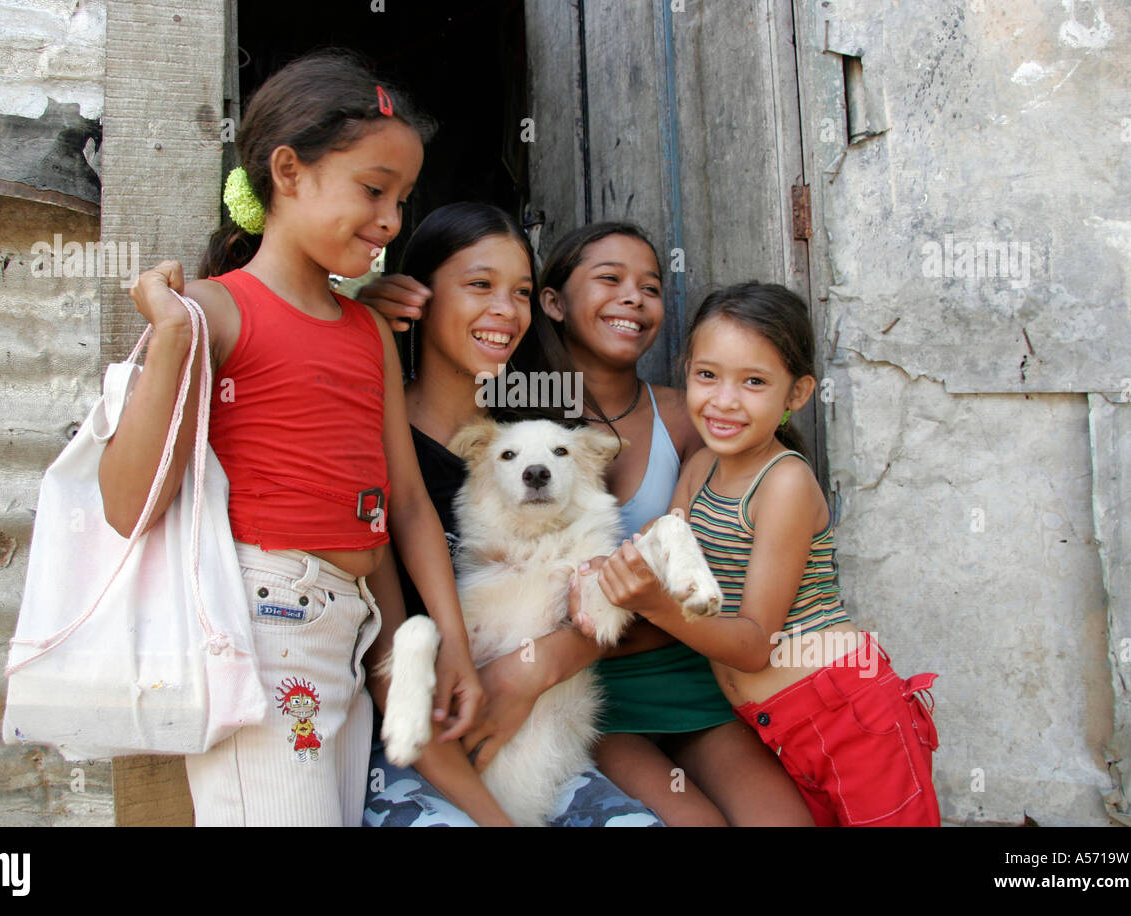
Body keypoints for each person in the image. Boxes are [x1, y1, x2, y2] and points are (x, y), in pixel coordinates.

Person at [97, 51, 484, 826]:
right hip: (261, 633)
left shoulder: (367, 333)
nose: (391, 221)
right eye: (373, 190)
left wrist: (448, 647)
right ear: (288, 171)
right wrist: (172, 335)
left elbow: (404, 503)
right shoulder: (213, 313)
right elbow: (126, 503)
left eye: (402, 198)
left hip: (349, 633)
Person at [363, 221, 810, 826]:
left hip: (636, 680)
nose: (632, 296)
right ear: (556, 303)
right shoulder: (513, 424)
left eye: (650, 285)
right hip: (567, 709)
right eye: (610, 279)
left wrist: (536, 665)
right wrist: (363, 319)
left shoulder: (679, 420)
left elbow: (687, 586)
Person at [357, 203, 661, 826]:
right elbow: (389, 669)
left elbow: (612, 602)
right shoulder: (376, 445)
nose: (506, 309)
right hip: (419, 753)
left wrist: (532, 670)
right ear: (415, 297)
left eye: (521, 292)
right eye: (479, 285)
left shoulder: (544, 437)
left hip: (542, 737)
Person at [596, 282, 942, 826]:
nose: (724, 400)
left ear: (797, 393)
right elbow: (663, 556)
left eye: (754, 382)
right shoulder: (700, 467)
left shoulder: (784, 484)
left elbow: (757, 644)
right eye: (707, 375)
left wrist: (658, 605)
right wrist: (602, 574)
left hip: (846, 716)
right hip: (774, 725)